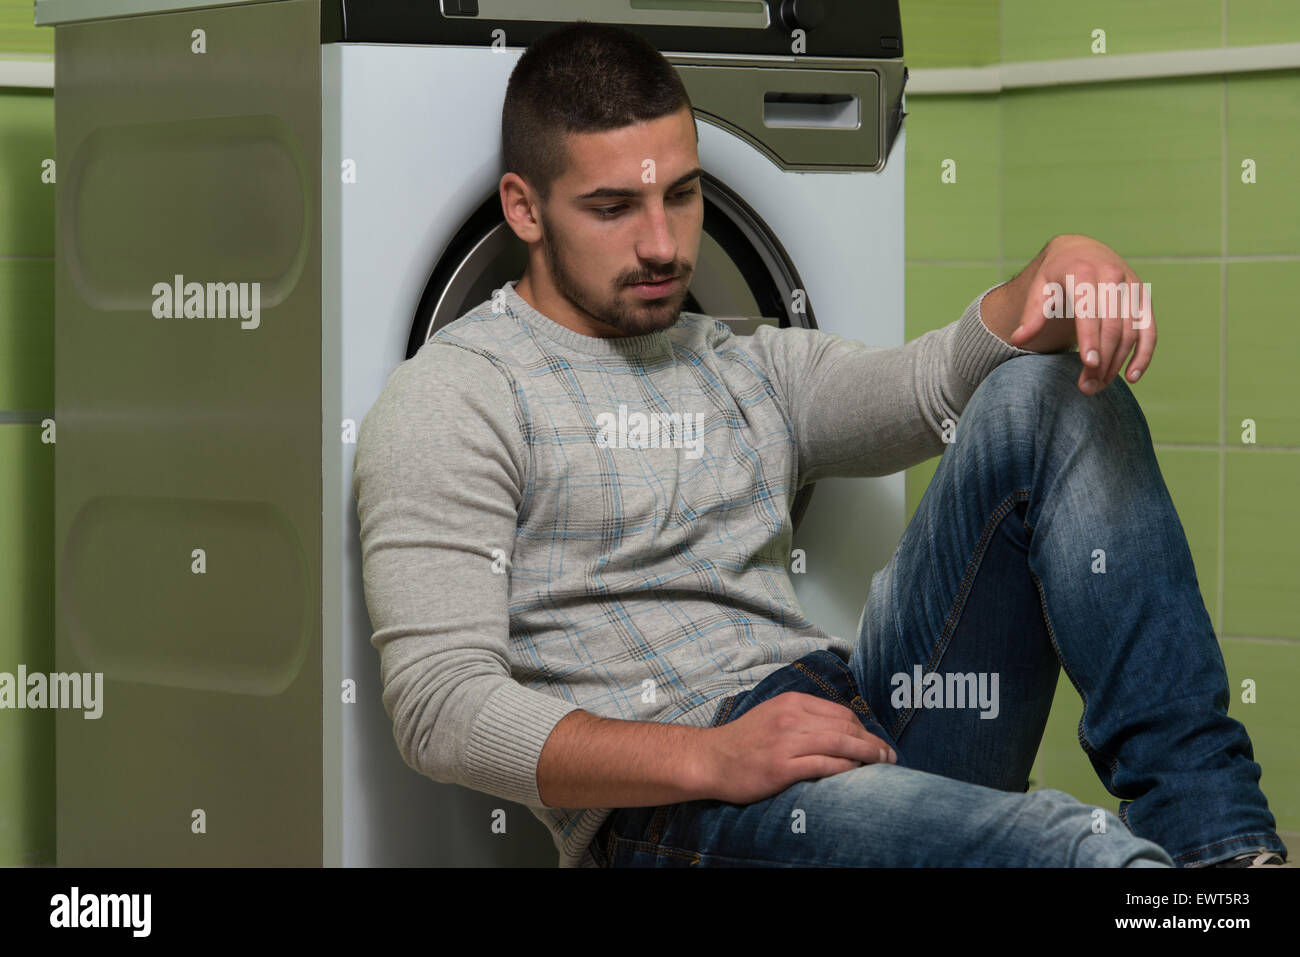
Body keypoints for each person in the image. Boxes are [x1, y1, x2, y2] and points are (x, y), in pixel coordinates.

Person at [352, 21, 1288, 868]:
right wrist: (709, 755)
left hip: (850, 716)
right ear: (524, 209)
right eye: (612, 209)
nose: (664, 244)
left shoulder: (740, 359)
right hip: (675, 807)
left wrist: (1053, 269)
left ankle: (1224, 853)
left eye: (682, 197)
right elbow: (443, 708)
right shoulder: (456, 393)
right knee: (1076, 852)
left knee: (1045, 386)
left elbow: (930, 386)